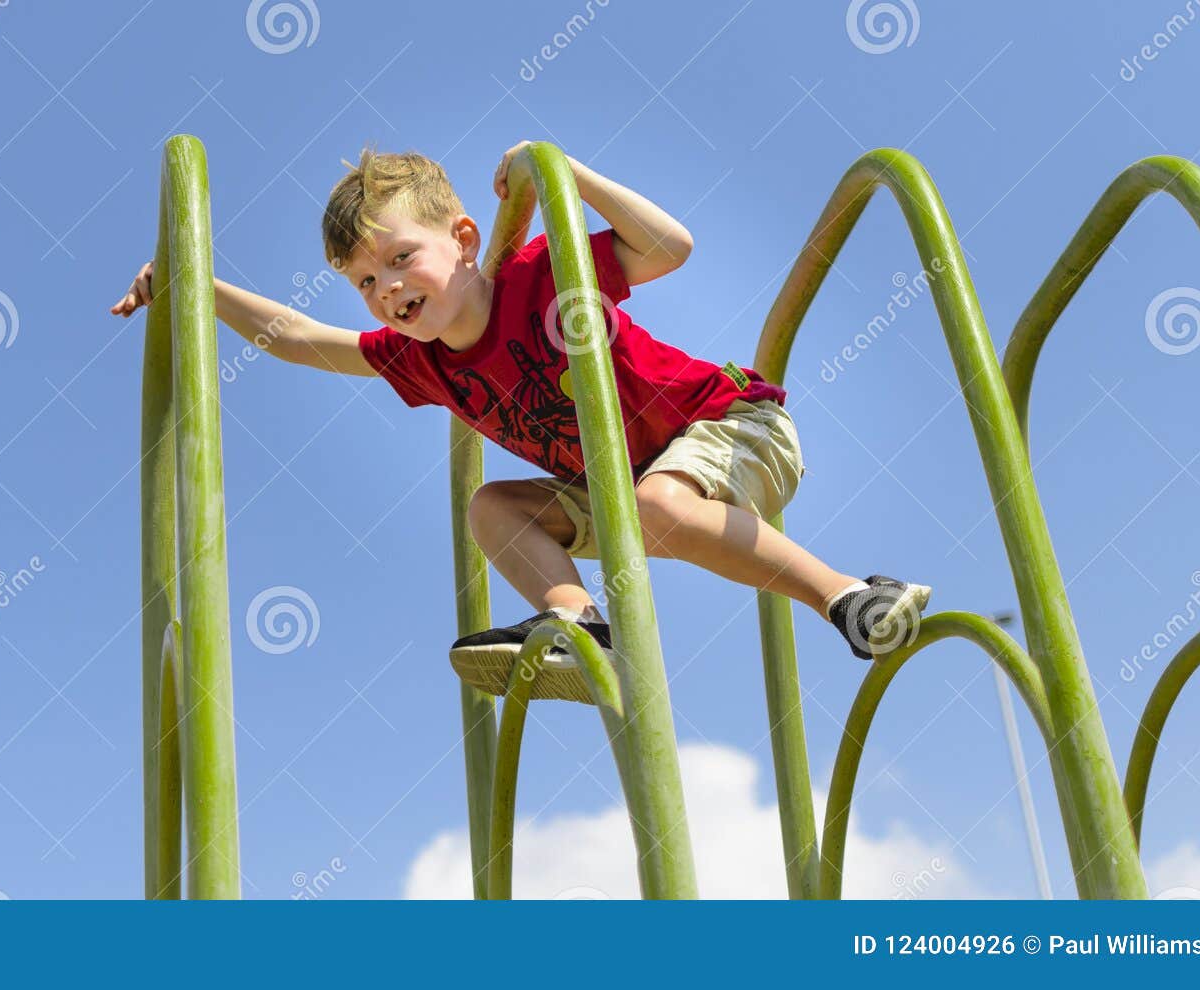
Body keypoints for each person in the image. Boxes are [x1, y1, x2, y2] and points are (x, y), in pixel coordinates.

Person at [112, 142, 930, 702]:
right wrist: (196, 284)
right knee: (492, 509)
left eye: (401, 258)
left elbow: (670, 246)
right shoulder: (420, 360)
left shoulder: (541, 273)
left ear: (464, 239)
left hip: (729, 422)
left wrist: (565, 175)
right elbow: (297, 339)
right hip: (619, 487)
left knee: (656, 505)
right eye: (364, 281)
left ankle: (852, 600)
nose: (387, 288)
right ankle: (581, 627)